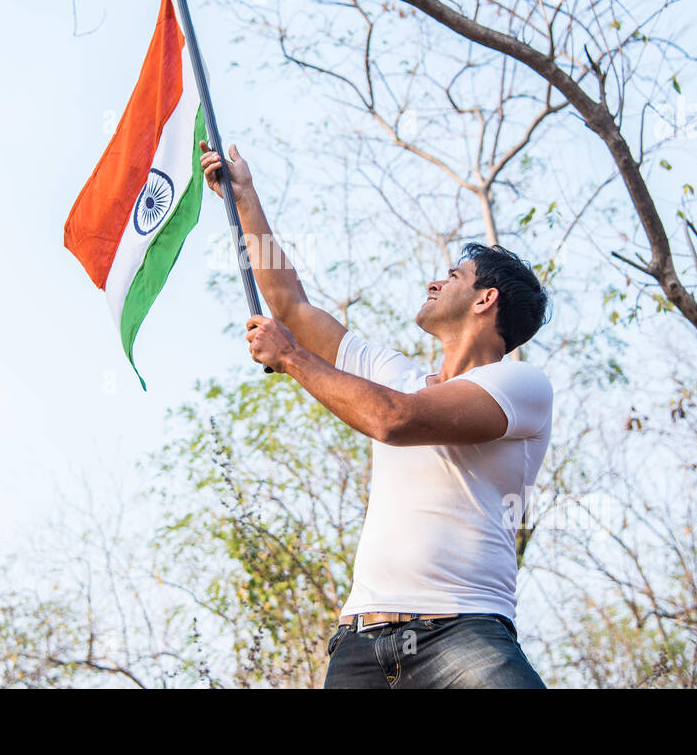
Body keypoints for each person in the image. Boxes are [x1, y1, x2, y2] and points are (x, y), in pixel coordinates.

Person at [200, 139, 553, 689]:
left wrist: (292, 357)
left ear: (486, 300)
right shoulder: (398, 374)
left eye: (453, 277)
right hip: (360, 643)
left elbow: (396, 421)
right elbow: (291, 307)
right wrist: (244, 199)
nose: (434, 283)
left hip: (463, 634)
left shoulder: (520, 385)